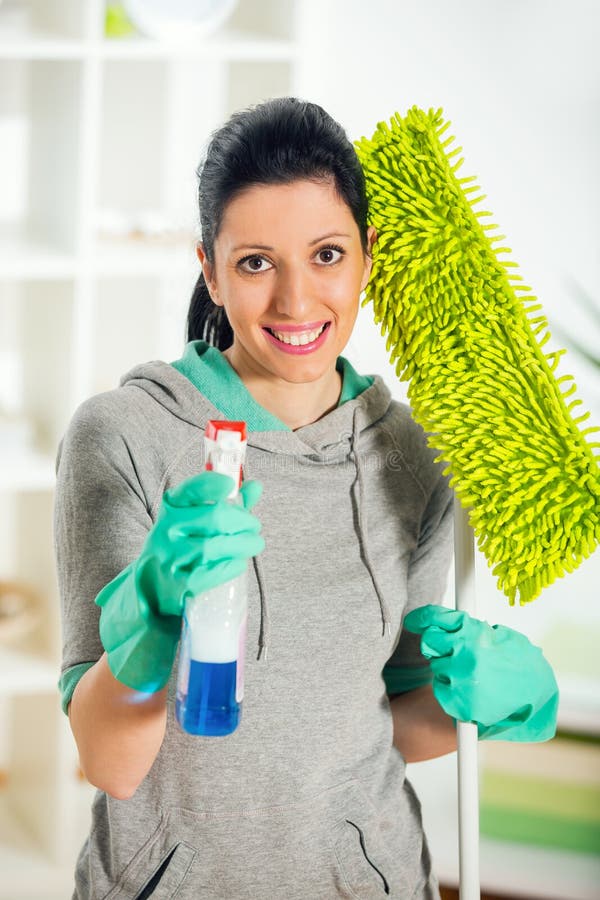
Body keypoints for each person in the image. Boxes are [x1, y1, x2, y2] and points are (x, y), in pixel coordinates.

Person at [54, 96, 559, 900]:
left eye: (326, 255)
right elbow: (111, 765)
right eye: (256, 262)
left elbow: (384, 720)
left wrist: (491, 705)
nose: (295, 303)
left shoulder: (418, 458)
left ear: (369, 257)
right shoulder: (123, 436)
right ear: (211, 271)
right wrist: (150, 619)